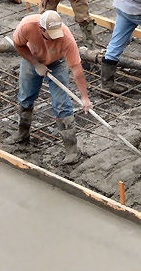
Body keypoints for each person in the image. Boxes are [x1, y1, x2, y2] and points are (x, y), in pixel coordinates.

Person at [10, 10, 92, 165]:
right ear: (41, 30)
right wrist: (36, 63)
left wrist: (85, 97)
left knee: (62, 104)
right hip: (32, 59)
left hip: (57, 63)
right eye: (51, 34)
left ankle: (72, 151)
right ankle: (22, 134)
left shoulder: (66, 37)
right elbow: (18, 45)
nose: (56, 37)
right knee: (26, 97)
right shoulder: (27, 26)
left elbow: (76, 68)